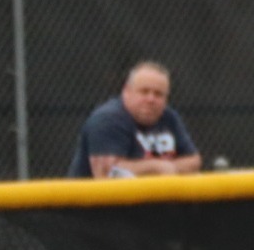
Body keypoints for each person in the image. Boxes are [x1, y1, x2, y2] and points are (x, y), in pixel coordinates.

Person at [67, 61, 201, 178]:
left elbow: (194, 161)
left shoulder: (169, 117)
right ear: (126, 91)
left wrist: (165, 167)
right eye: (144, 91)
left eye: (158, 94)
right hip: (101, 204)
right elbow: (107, 172)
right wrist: (157, 167)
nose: (151, 99)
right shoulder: (108, 119)